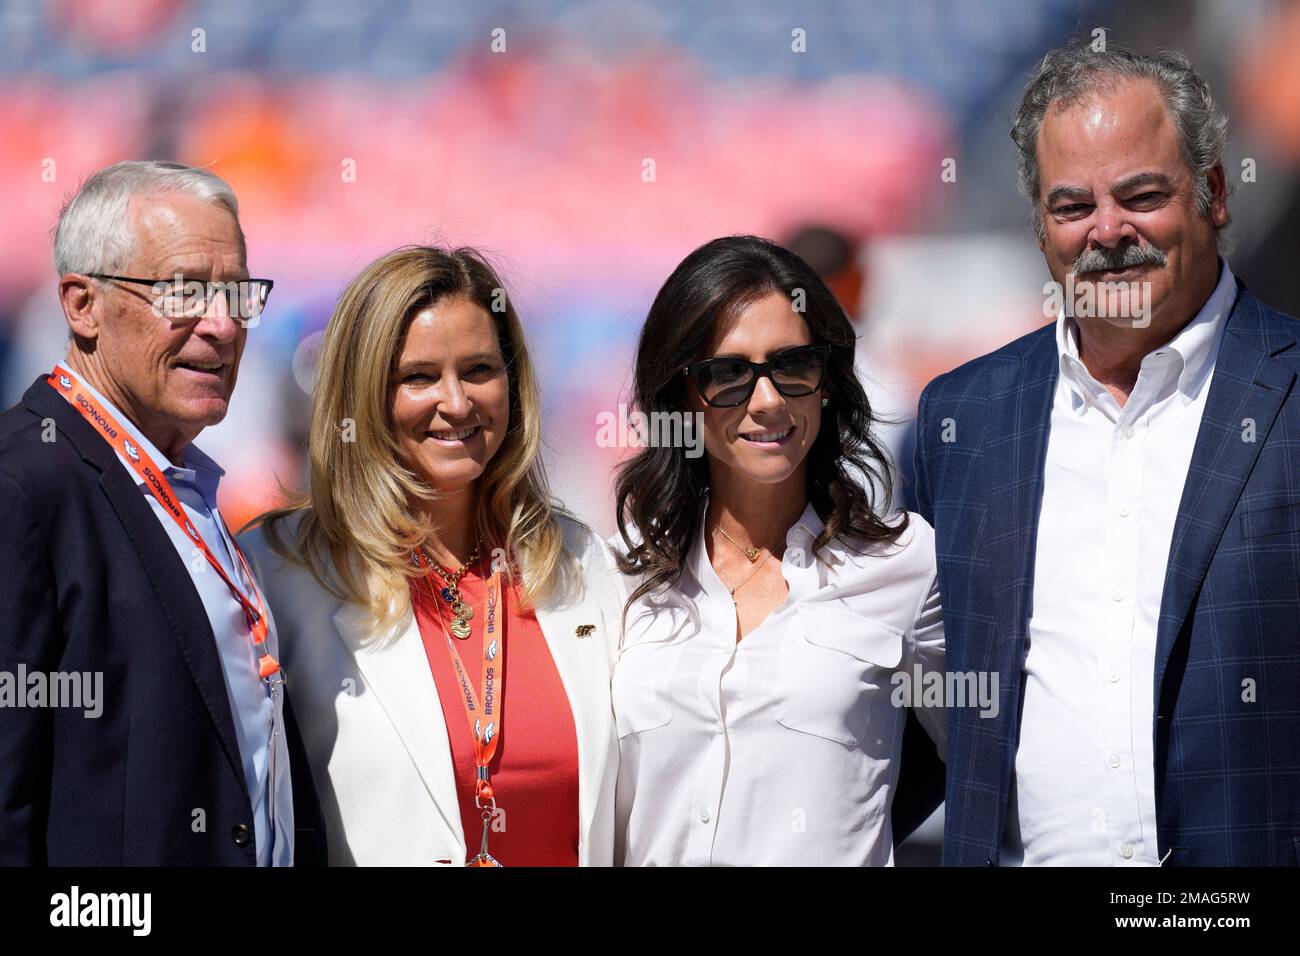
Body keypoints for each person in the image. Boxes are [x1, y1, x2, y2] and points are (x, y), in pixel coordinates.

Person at [915, 41, 1300, 866]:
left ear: (1216, 194)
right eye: (1071, 205)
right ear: (1039, 223)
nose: (1108, 232)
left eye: (1142, 195)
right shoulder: (962, 419)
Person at [240, 246, 624, 866]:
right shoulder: (278, 572)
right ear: (361, 393)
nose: (457, 402)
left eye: (478, 370)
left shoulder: (583, 563)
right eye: (418, 377)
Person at [0, 160, 324, 865]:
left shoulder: (187, 485)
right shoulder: (23, 485)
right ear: (82, 305)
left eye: (237, 293)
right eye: (185, 292)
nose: (222, 325)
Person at [610, 235, 946, 866]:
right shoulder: (618, 574)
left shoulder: (907, 563)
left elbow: (984, 756)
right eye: (727, 374)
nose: (767, 401)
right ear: (681, 395)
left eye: (793, 365)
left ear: (826, 379)